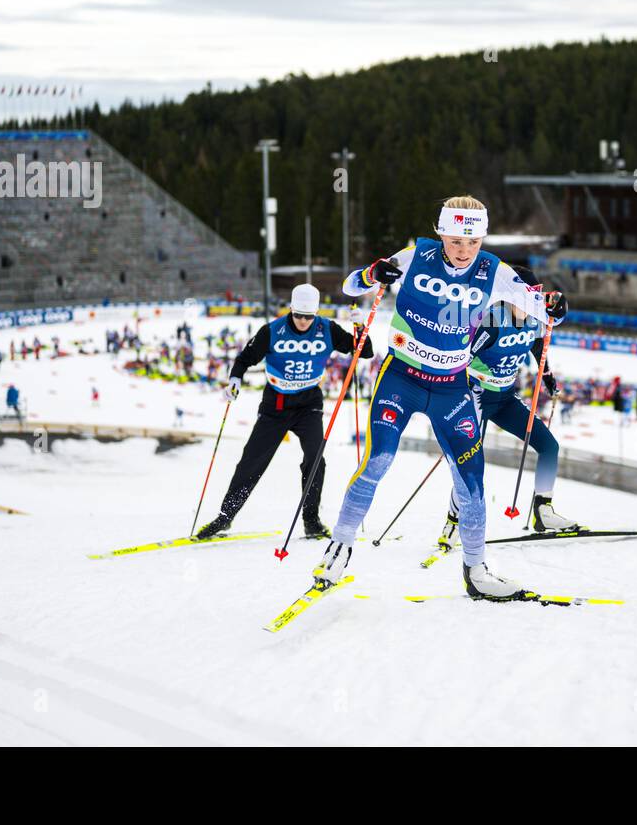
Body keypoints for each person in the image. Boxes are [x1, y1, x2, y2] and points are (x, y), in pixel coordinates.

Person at [314, 195, 566, 600]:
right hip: (401, 378)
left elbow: (544, 308)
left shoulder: (494, 270)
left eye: (473, 242)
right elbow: (350, 286)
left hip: (451, 388)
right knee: (378, 460)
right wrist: (372, 274)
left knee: (471, 480)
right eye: (455, 241)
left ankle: (476, 569)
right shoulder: (417, 255)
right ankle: (340, 546)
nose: (464, 251)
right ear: (441, 233)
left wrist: (555, 305)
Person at [195, 284, 373, 541]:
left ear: (316, 313)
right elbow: (244, 358)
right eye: (298, 315)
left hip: (308, 404)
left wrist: (360, 328)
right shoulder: (273, 330)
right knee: (251, 461)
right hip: (275, 405)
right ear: (291, 309)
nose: (302, 321)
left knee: (315, 460)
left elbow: (363, 352)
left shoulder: (327, 329)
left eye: (308, 316)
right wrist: (234, 380)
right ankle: (225, 517)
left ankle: (311, 522)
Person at [432, 265, 574, 554]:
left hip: (506, 397)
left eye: (535, 293)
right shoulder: (492, 320)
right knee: (471, 462)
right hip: (478, 395)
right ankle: (453, 521)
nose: (531, 299)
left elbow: (538, 346)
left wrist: (546, 375)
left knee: (549, 447)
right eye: (525, 294)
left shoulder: (536, 319)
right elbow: (463, 355)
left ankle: (543, 511)